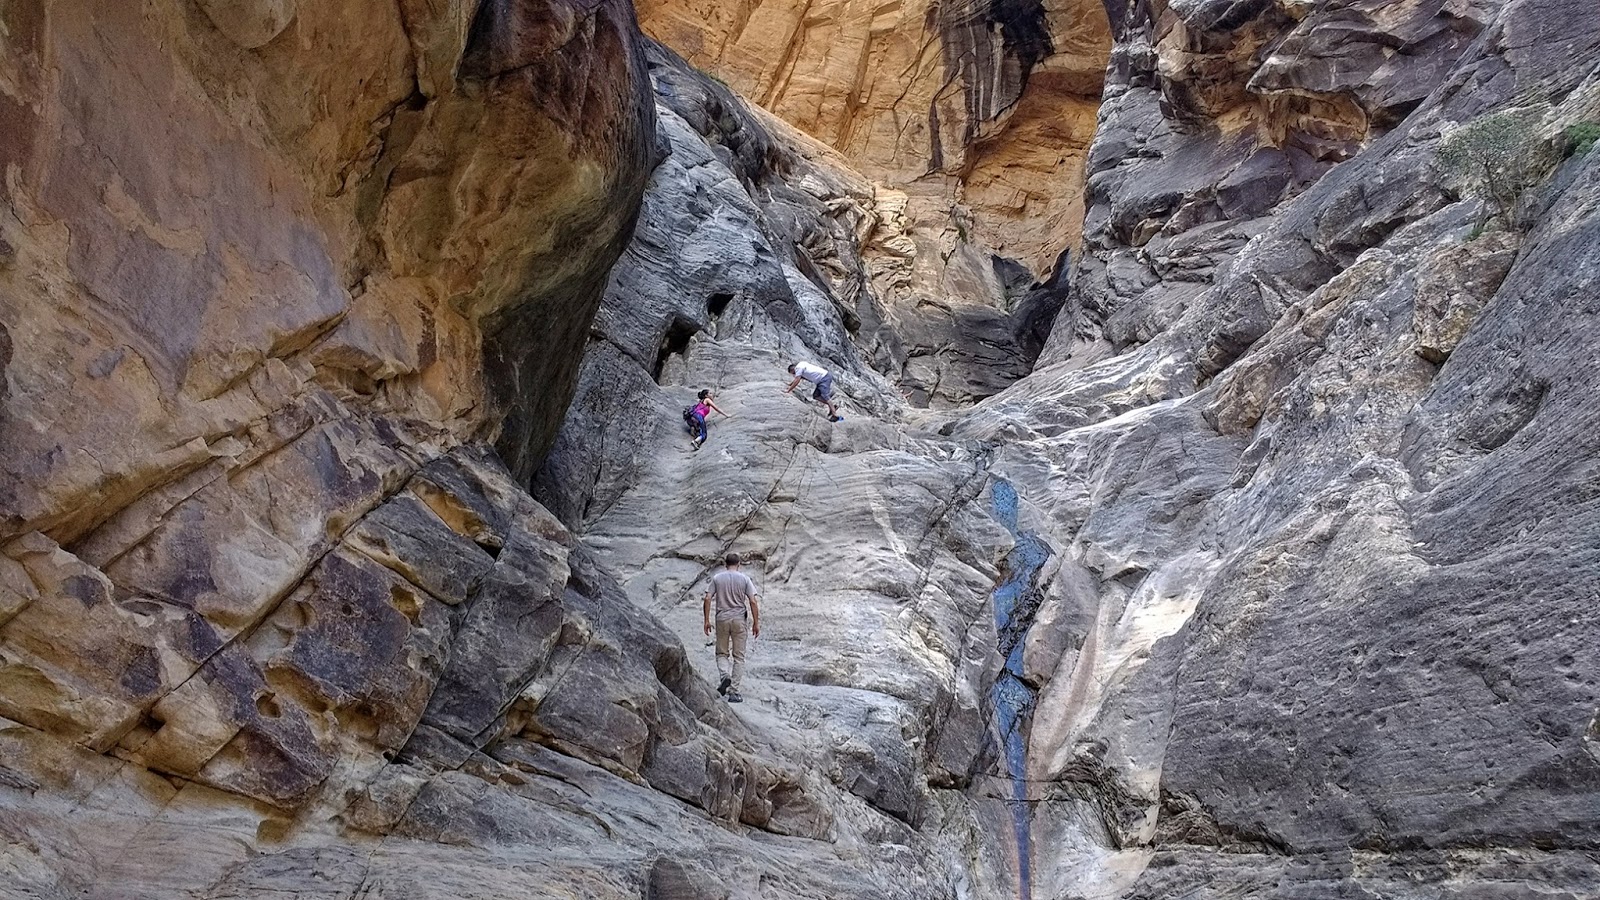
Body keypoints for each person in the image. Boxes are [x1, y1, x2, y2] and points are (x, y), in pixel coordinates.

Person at [702, 552, 760, 703]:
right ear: (739, 564)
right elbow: (753, 601)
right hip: (739, 619)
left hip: (722, 618)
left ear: (725, 564)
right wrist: (756, 622)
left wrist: (706, 620)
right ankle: (733, 692)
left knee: (722, 652)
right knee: (738, 657)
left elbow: (708, 598)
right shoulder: (745, 579)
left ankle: (724, 676)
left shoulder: (717, 578)